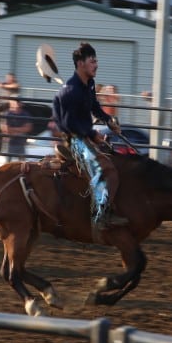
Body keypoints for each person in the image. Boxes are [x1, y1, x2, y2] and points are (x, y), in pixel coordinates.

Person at [50, 42, 126, 232]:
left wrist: (109, 120)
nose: (96, 64)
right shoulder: (71, 91)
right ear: (80, 63)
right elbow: (69, 124)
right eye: (92, 61)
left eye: (96, 61)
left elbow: (94, 107)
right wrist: (93, 134)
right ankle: (99, 216)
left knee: (115, 161)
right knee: (105, 169)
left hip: (84, 134)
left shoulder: (88, 84)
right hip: (74, 139)